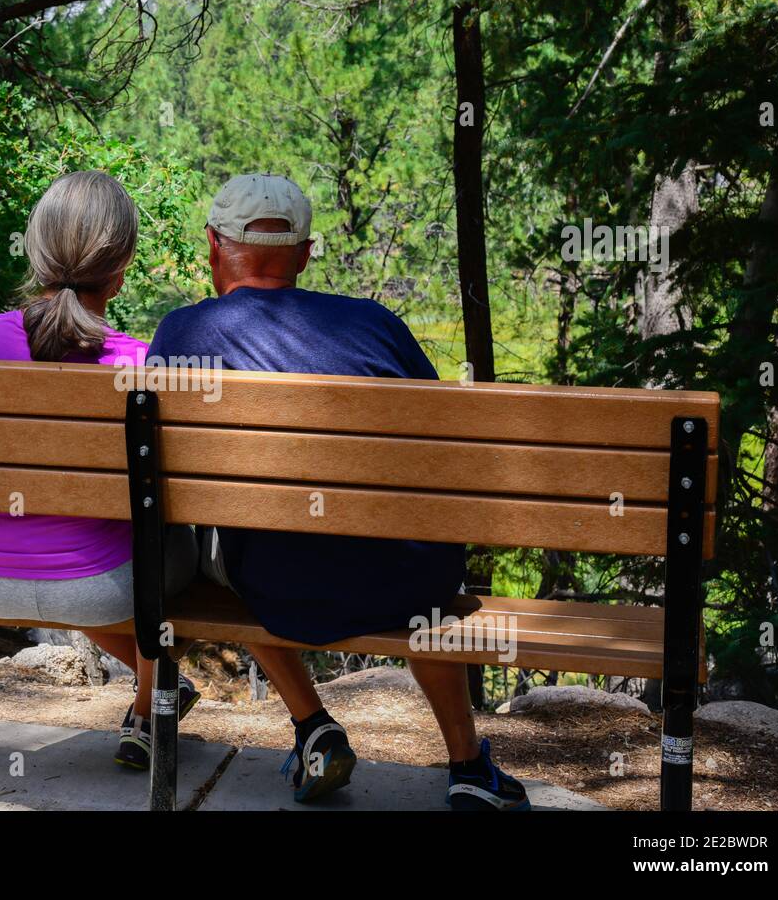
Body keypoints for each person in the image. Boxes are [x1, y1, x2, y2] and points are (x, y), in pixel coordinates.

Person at [147, 173, 530, 810]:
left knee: (232, 541)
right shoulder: (376, 324)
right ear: (304, 254)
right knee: (409, 535)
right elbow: (450, 449)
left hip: (279, 588)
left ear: (213, 246)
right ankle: (467, 767)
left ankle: (311, 725)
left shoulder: (184, 335)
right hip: (416, 583)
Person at [0, 170, 200, 770]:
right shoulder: (140, 364)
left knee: (77, 532)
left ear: (35, 251)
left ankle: (156, 701)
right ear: (122, 266)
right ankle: (151, 699)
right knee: (174, 535)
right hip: (101, 584)